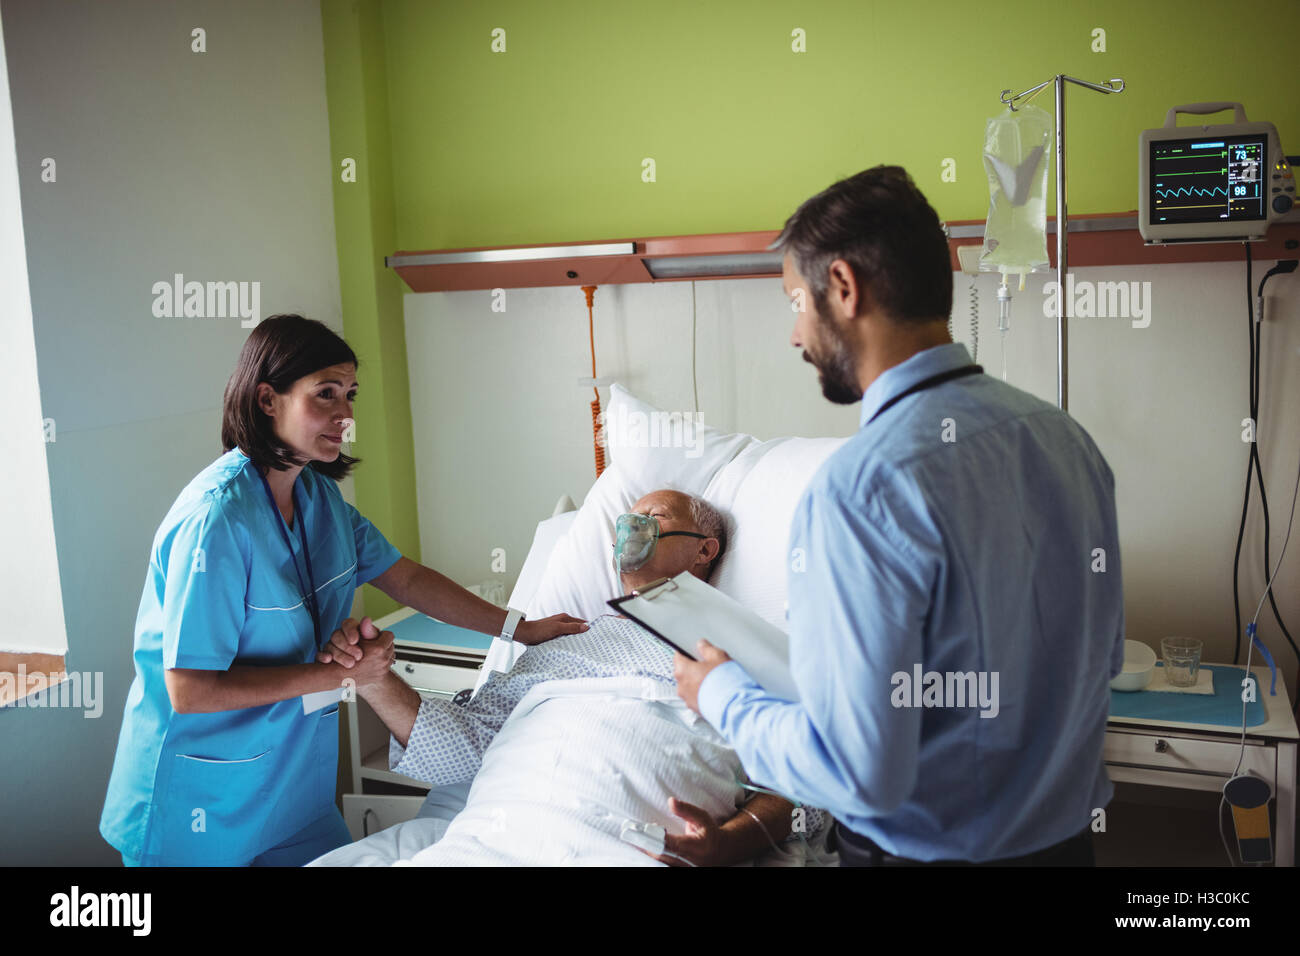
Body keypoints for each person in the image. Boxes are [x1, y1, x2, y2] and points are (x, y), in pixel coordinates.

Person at [673, 166, 1125, 866]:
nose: (796, 334)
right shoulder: (1066, 440)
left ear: (844, 289)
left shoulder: (861, 489)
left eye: (796, 300)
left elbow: (858, 774)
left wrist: (723, 693)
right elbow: (1101, 661)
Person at [99, 314, 585, 866]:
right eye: (325, 394)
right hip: (201, 799)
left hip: (293, 791)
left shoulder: (319, 501)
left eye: (350, 394)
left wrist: (518, 626)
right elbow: (190, 689)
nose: (345, 414)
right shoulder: (217, 522)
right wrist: (342, 674)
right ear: (267, 400)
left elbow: (406, 577)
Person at [317, 489, 825, 866]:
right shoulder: (559, 643)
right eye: (625, 519)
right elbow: (458, 751)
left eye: (652, 518)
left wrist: (731, 841)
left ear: (704, 551)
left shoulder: (743, 649)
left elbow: (809, 779)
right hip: (493, 841)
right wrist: (375, 679)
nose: (630, 526)